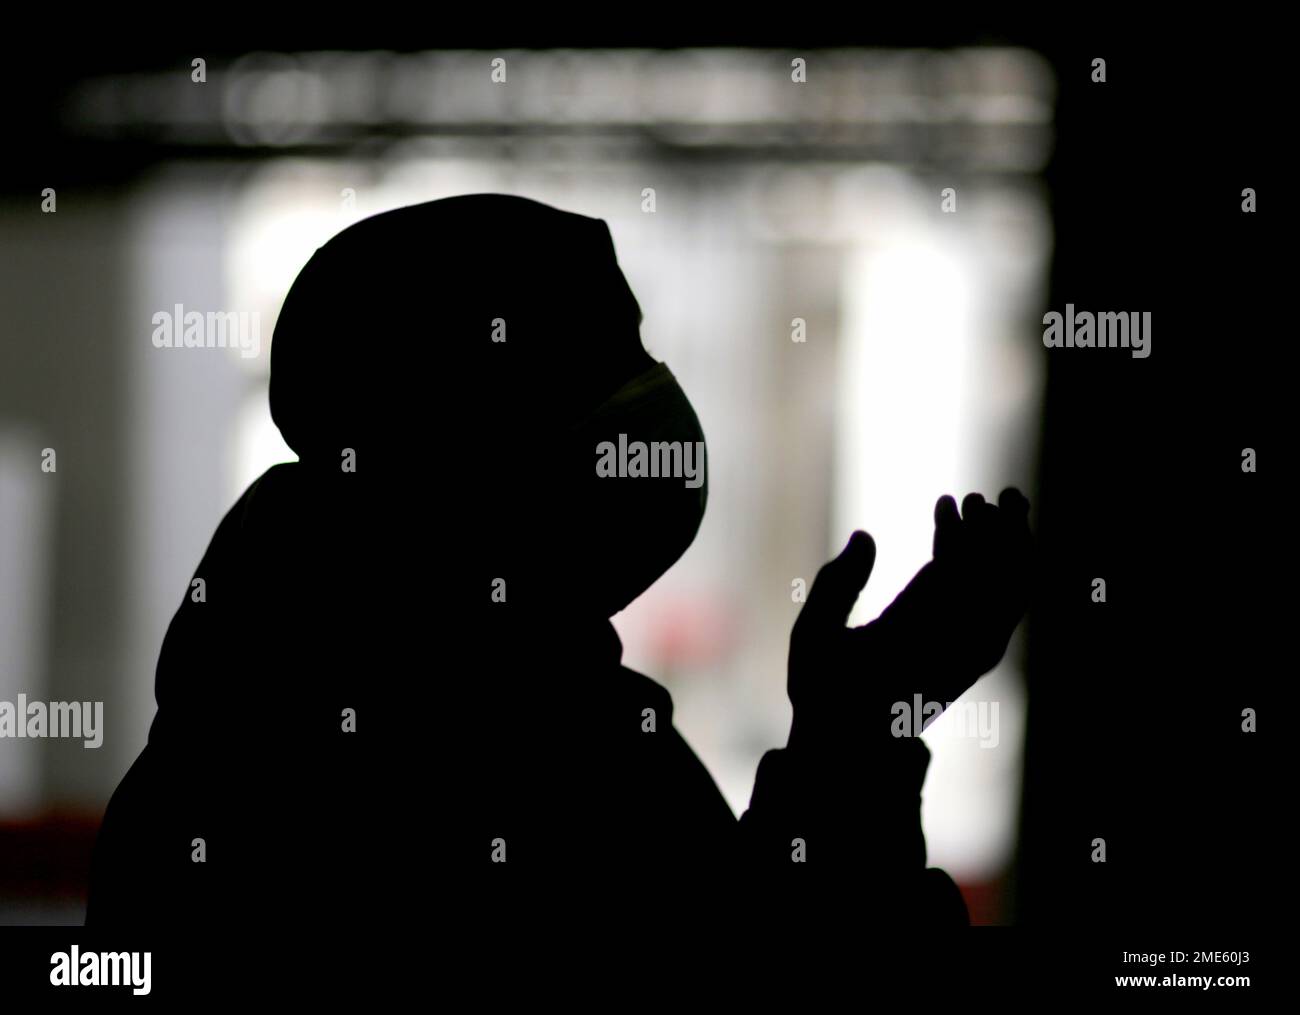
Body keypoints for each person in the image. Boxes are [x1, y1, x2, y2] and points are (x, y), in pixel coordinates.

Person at [87, 194, 1031, 931]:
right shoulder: (399, 758)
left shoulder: (532, 692)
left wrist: (855, 729)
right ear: (454, 434)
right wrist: (852, 743)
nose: (652, 405)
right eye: (598, 366)